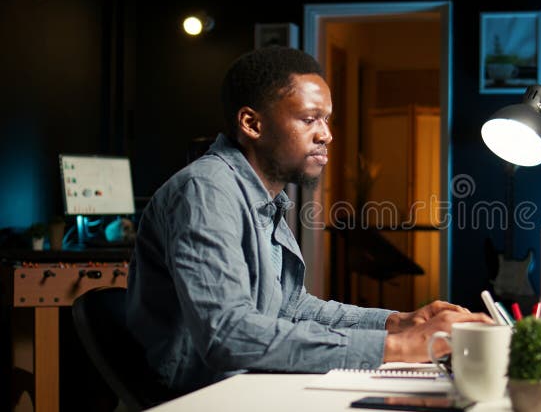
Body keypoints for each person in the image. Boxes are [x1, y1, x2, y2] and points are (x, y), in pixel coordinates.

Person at [125, 46, 491, 393]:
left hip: (247, 386)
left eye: (327, 119)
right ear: (252, 123)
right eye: (309, 119)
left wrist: (397, 322)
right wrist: (397, 346)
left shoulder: (262, 197)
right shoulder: (206, 192)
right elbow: (228, 335)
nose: (326, 134)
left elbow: (293, 308)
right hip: (199, 399)